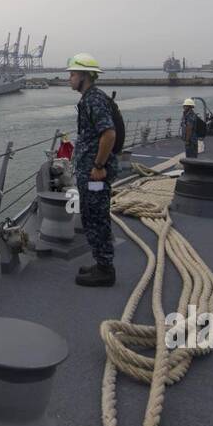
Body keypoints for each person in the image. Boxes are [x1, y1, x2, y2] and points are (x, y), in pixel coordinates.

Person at [67, 54, 117, 287]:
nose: (70, 78)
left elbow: (108, 134)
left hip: (95, 173)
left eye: (73, 74)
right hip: (89, 171)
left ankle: (106, 269)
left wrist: (98, 166)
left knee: (96, 217)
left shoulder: (93, 100)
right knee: (91, 215)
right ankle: (101, 262)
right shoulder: (89, 98)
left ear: (85, 76)